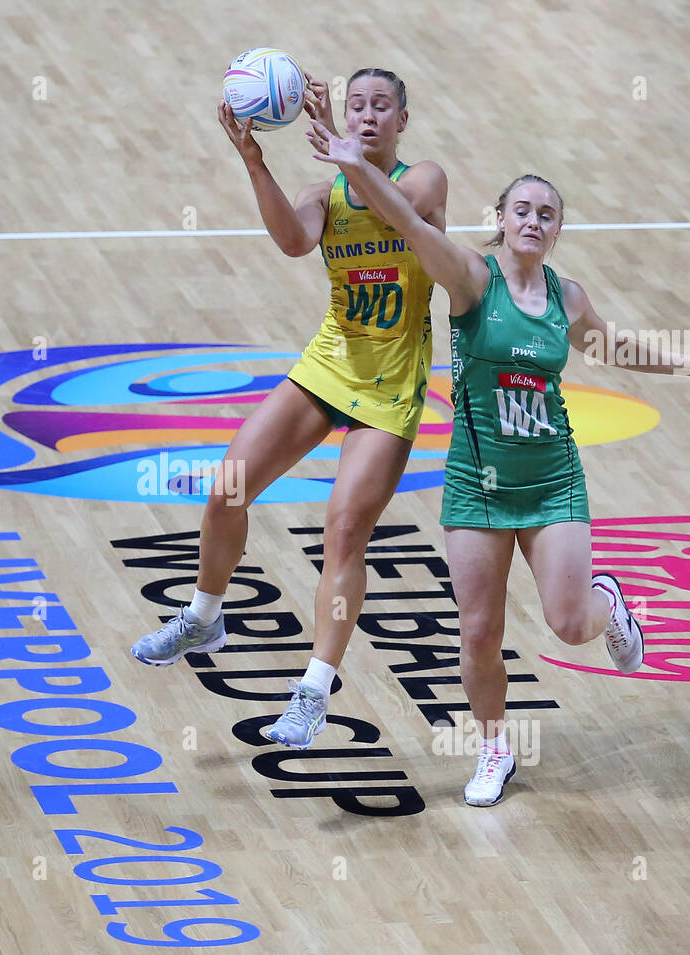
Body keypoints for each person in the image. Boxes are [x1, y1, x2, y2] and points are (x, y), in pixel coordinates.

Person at [306, 118, 690, 803]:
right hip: (477, 487)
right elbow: (408, 225)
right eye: (523, 210)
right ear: (501, 219)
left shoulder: (566, 297)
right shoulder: (469, 279)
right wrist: (358, 169)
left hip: (550, 482)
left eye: (547, 214)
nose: (534, 221)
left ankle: (613, 602)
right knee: (480, 632)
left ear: (558, 229)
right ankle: (492, 751)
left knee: (571, 624)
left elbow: (614, 348)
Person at [130, 68, 448, 750]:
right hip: (332, 362)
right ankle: (203, 615)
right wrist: (255, 164)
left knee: (344, 531)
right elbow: (294, 241)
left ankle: (312, 691)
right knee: (227, 489)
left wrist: (348, 155)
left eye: (380, 107)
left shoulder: (426, 180)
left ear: (403, 120)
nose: (366, 115)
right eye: (355, 104)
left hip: (391, 385)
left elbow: (401, 216)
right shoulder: (326, 188)